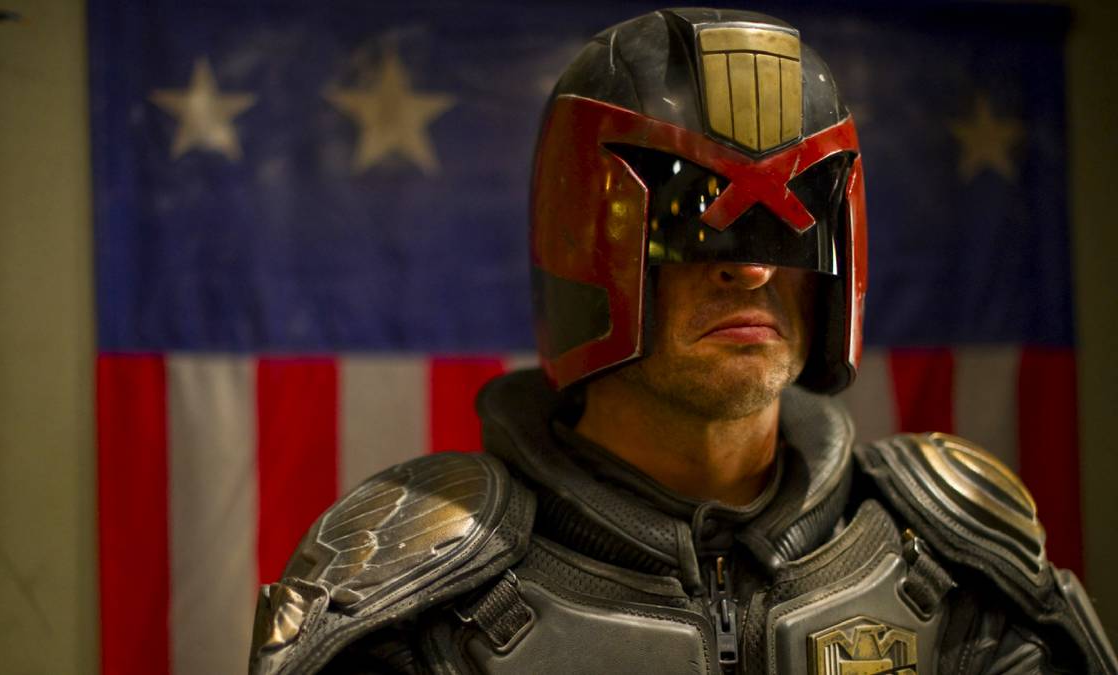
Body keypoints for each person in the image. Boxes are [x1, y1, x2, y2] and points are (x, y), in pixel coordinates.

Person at [248, 8, 1117, 674]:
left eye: (792, 224)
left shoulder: (958, 576)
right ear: (588, 244)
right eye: (695, 223)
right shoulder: (418, 611)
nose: (753, 270)